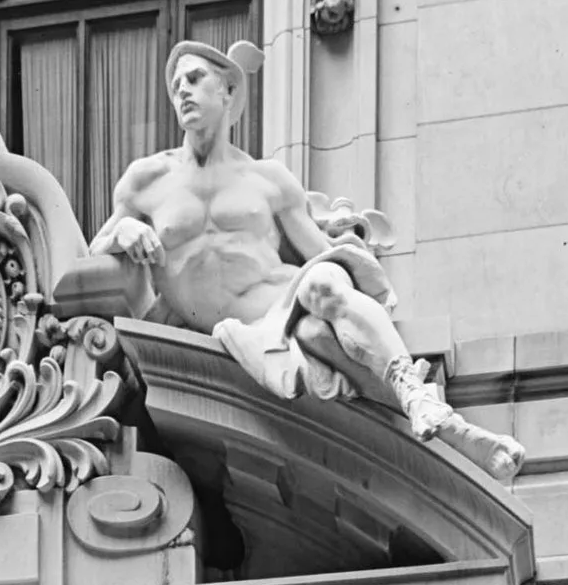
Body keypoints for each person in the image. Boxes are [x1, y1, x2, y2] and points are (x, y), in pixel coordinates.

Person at [91, 38, 523, 481]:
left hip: (276, 297)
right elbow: (94, 253)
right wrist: (123, 231)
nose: (182, 90)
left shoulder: (269, 179)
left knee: (323, 283)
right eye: (176, 84)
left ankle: (413, 391)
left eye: (195, 78)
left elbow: (320, 252)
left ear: (228, 90)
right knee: (317, 333)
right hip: (232, 330)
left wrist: (349, 247)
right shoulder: (146, 180)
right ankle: (450, 428)